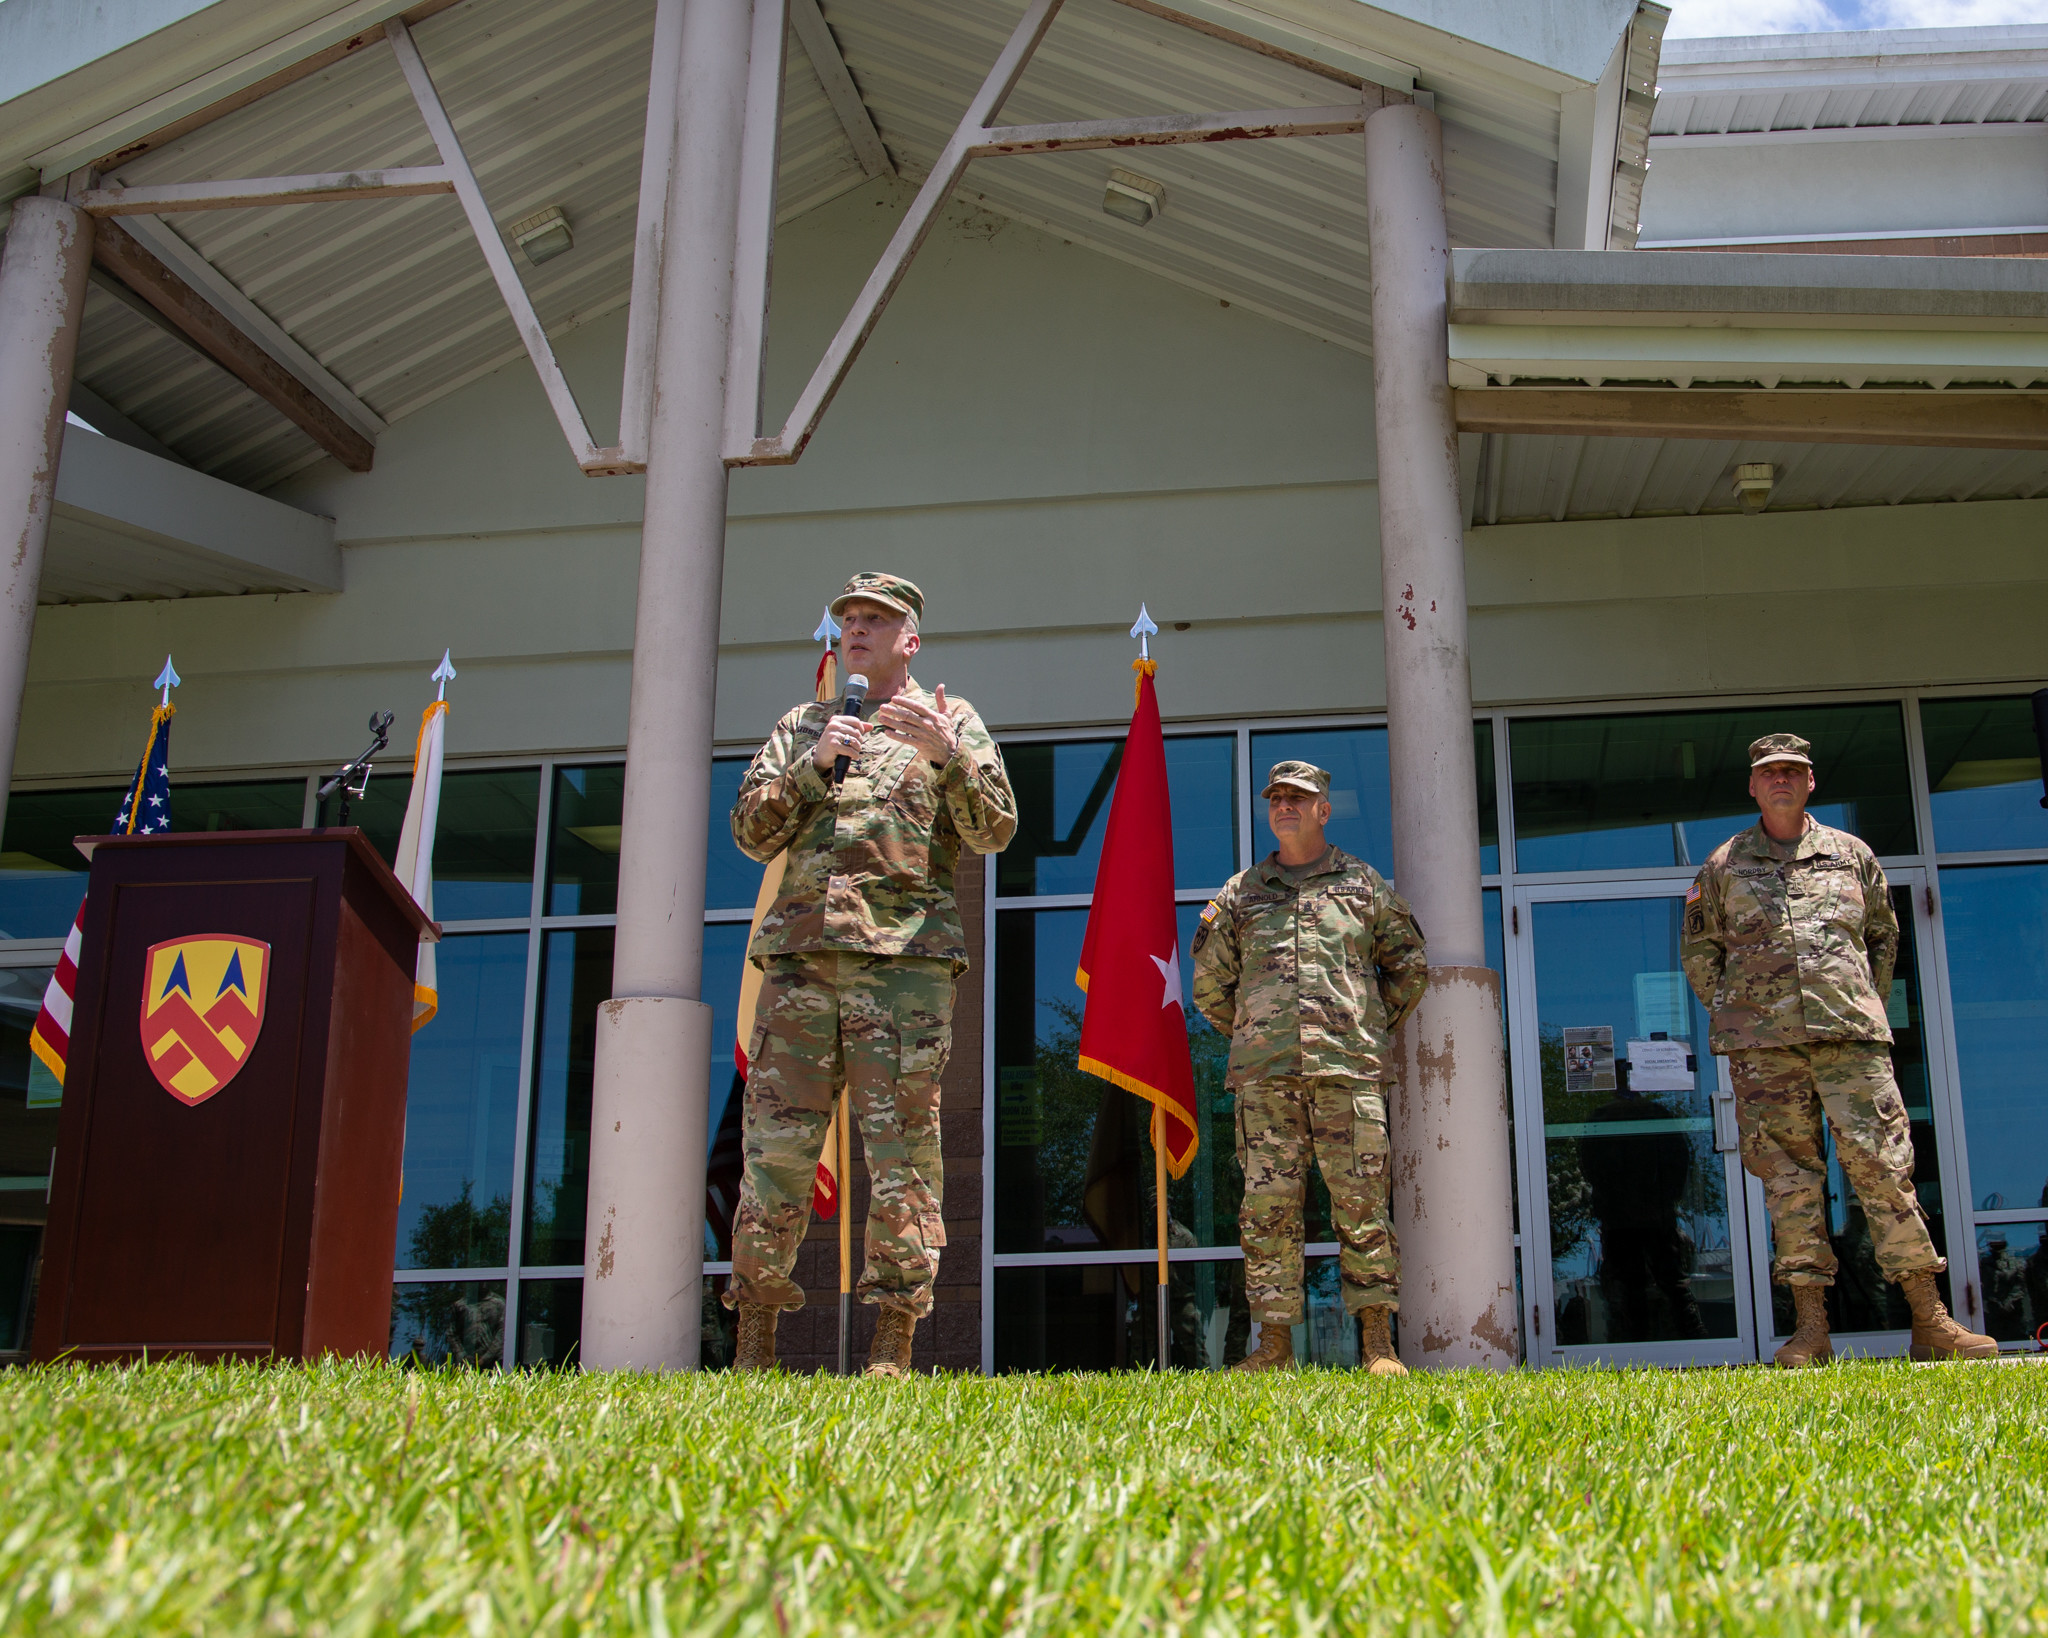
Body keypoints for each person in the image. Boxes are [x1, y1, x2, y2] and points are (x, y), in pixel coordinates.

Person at [726, 573, 1017, 1376]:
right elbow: (750, 833)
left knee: (902, 1153)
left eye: (875, 619)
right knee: (776, 1151)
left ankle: (894, 1333)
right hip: (800, 966)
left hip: (903, 970)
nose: (856, 629)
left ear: (909, 640)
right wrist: (814, 765)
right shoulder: (803, 725)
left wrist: (948, 758)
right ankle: (756, 1333)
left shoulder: (951, 720)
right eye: (849, 618)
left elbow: (995, 831)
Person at [1680, 733, 1995, 1365]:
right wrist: (1743, 1017)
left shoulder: (1852, 855)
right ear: (1753, 785)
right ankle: (1811, 1329)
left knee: (1885, 1170)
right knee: (1790, 1183)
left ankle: (1930, 1319)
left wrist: (1859, 1006)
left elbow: (1882, 937)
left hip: (1851, 1044)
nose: (1781, 780)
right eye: (1770, 772)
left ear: (1810, 782)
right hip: (1766, 1053)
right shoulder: (1722, 865)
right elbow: (1699, 952)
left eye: (1792, 771)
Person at [1191, 761, 1429, 1375]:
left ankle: (1377, 1343)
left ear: (1324, 809)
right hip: (1265, 1079)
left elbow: (1407, 967)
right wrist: (1258, 1034)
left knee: (1362, 1202)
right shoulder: (1240, 894)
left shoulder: (1362, 885)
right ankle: (1273, 1346)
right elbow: (1210, 987)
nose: (1284, 807)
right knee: (1267, 1209)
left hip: (1348, 1074)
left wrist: (1361, 1030)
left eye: (1298, 798)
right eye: (1276, 798)